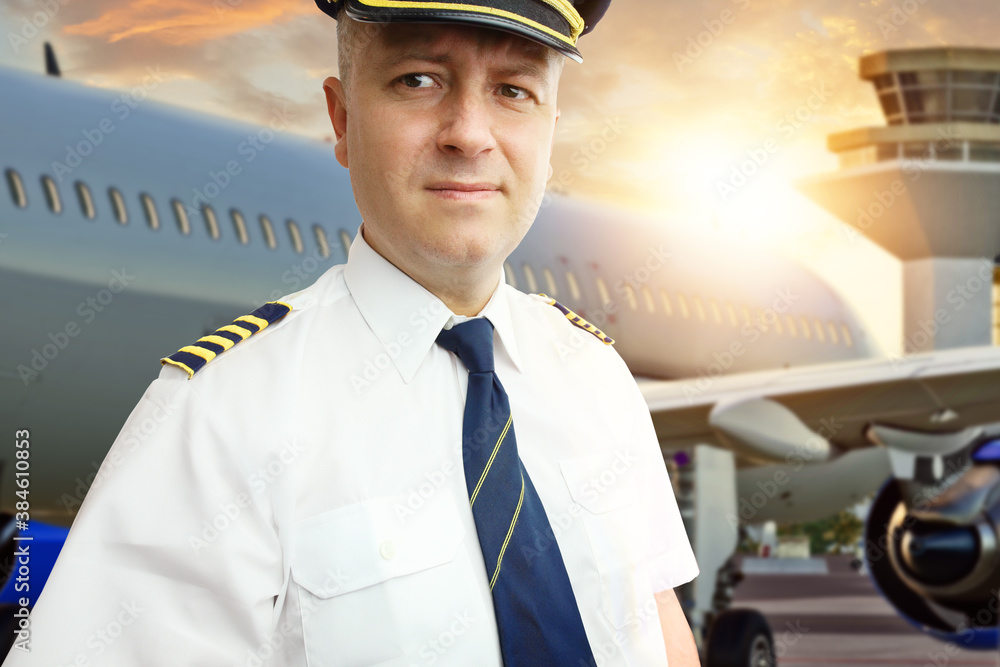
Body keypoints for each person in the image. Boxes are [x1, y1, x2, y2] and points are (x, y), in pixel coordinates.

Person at [3, 0, 700, 664]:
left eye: (513, 91)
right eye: (417, 80)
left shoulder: (596, 376)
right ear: (341, 118)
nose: (469, 132)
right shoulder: (219, 415)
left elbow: (658, 629)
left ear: (551, 129)